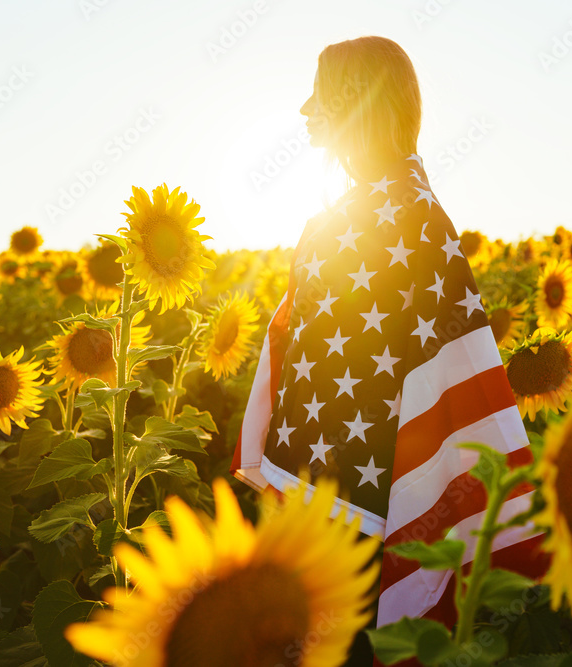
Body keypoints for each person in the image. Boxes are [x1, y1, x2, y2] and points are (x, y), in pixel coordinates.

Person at [232, 36, 548, 666]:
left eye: (319, 97)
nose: (303, 112)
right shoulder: (353, 217)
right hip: (319, 491)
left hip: (370, 506)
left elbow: (451, 369)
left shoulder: (415, 221)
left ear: (356, 104)